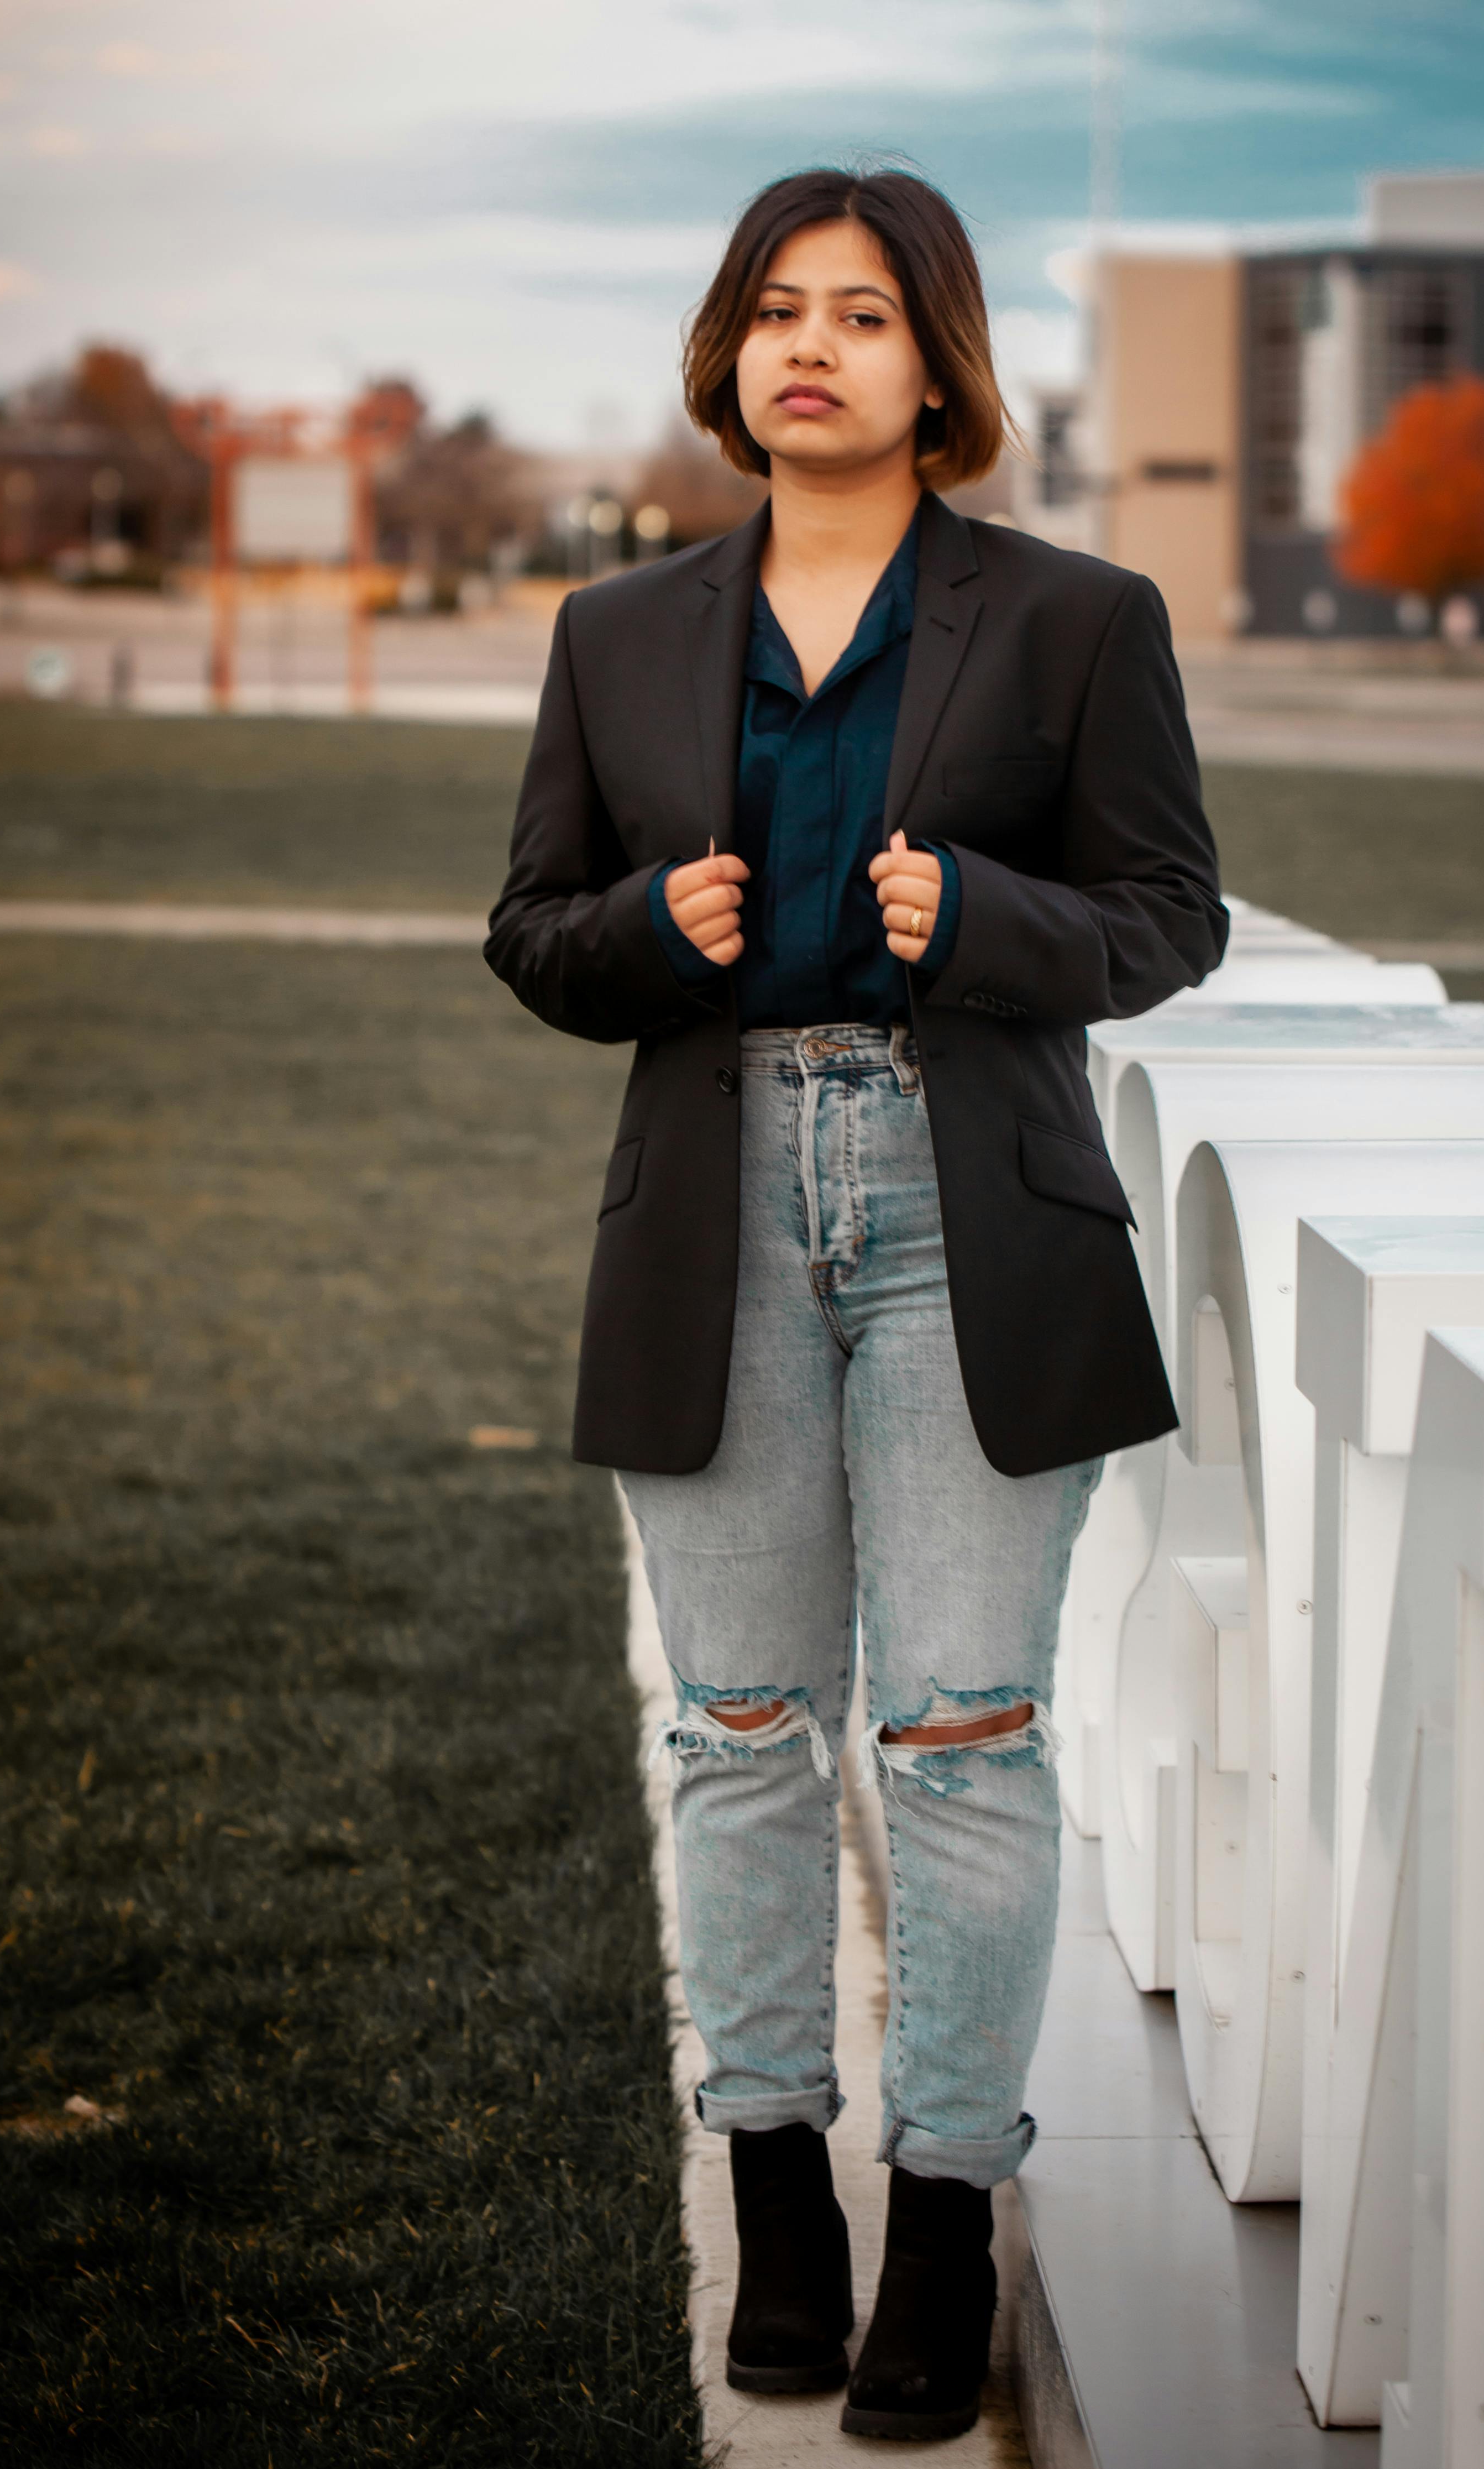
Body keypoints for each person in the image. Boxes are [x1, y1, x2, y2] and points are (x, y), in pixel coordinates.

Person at [485, 167, 1224, 2441]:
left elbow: (1164, 913)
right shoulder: (617, 630)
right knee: (737, 1732)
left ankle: (940, 2222)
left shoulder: (1078, 618)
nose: (812, 346)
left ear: (939, 367)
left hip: (961, 1204)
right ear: (730, 354)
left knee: (966, 1730)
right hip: (709, 1207)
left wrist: (979, 909)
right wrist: (650, 928)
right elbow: (530, 928)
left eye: (864, 315)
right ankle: (776, 2186)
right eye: (775, 311)